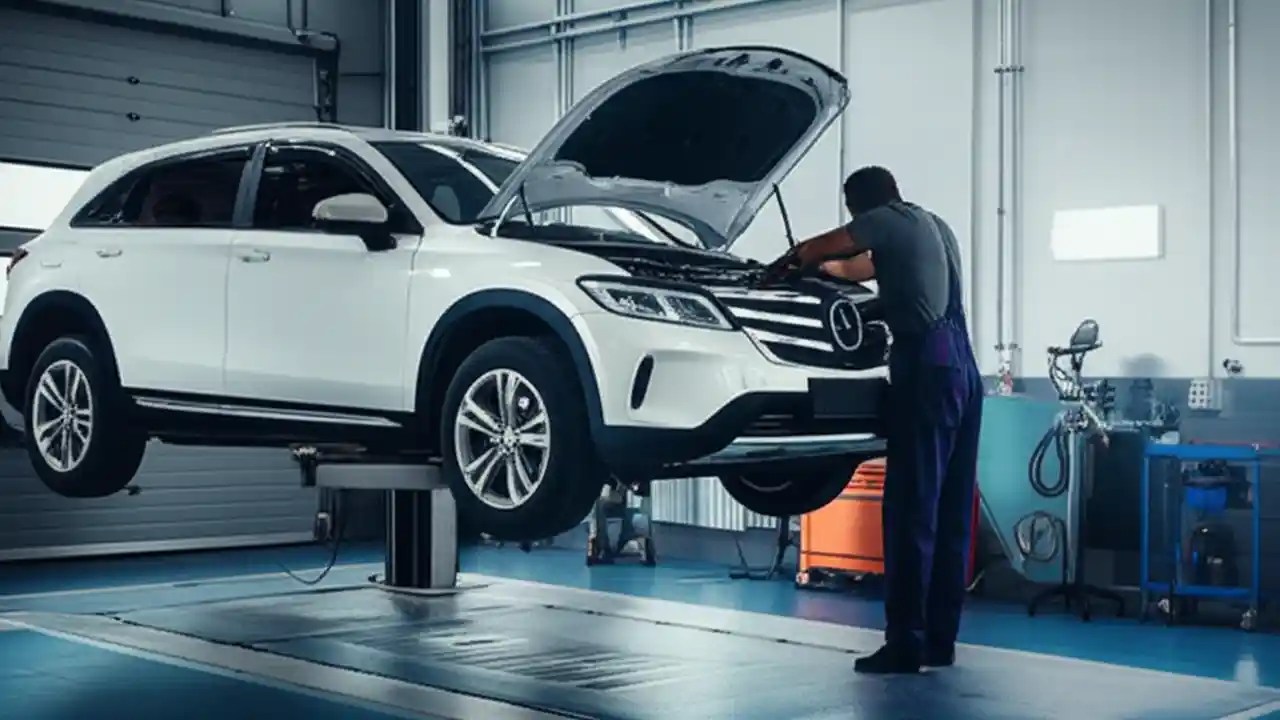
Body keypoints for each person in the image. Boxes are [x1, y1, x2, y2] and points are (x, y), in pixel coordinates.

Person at [765, 166, 983, 674]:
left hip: (927, 371)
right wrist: (855, 300)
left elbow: (820, 249)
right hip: (966, 373)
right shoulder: (933, 226)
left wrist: (786, 266)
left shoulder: (883, 220)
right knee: (951, 512)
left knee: (911, 509)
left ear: (858, 204)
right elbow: (861, 271)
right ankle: (939, 641)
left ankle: (904, 644)